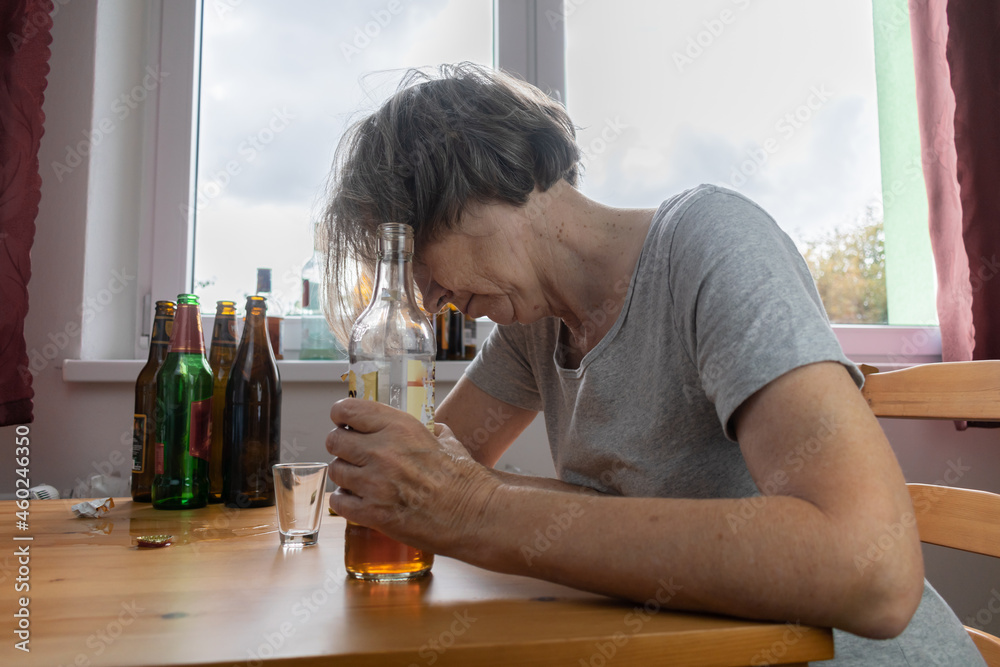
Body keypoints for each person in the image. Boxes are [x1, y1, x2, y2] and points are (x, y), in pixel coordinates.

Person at [321, 62, 984, 666]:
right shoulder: (533, 320)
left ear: (488, 175)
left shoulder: (712, 246)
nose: (424, 295)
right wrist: (431, 488)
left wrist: (475, 509)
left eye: (417, 246)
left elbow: (870, 570)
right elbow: (428, 469)